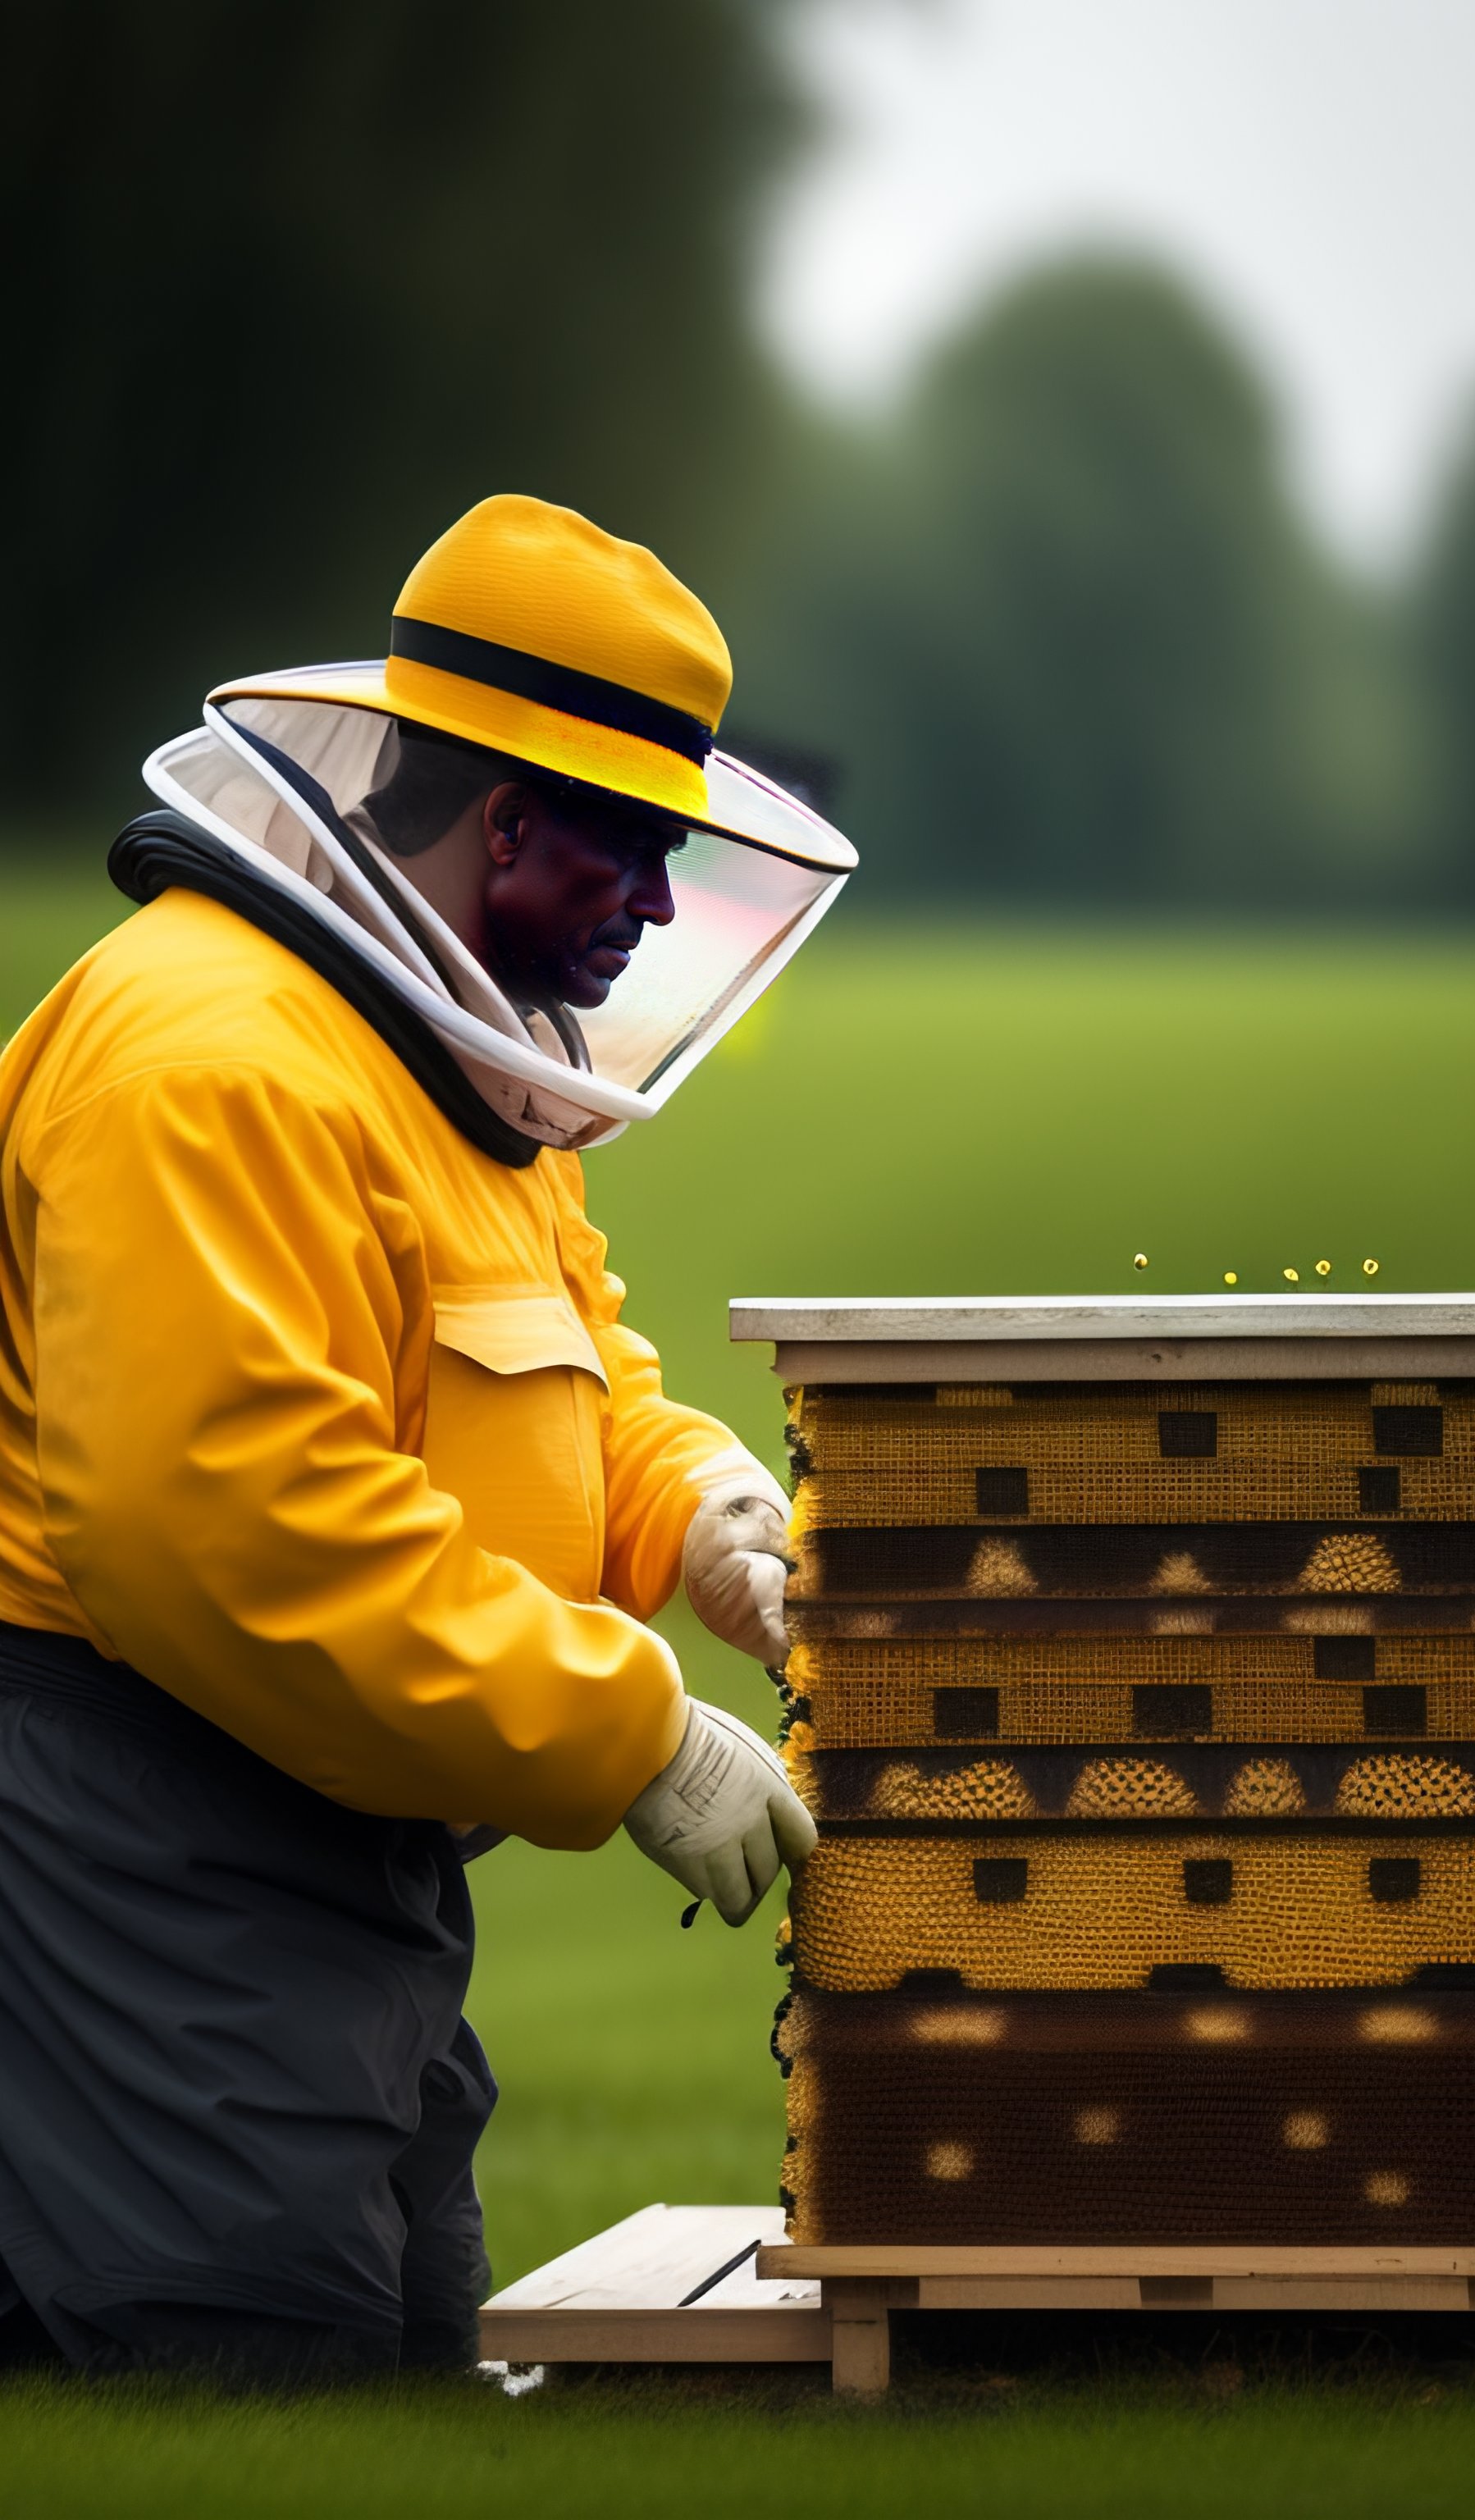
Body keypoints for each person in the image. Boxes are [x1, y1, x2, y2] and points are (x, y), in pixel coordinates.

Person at [0, 495, 856, 2381]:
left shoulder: (447, 1059)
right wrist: (630, 1733)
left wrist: (705, 1517)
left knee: (402, 2347)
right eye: (636, 852)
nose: (658, 911)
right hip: (138, 1817)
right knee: (234, 2364)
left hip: (343, 1809)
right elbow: (222, 1527)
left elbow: (567, 1372)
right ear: (511, 822)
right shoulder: (212, 1058)